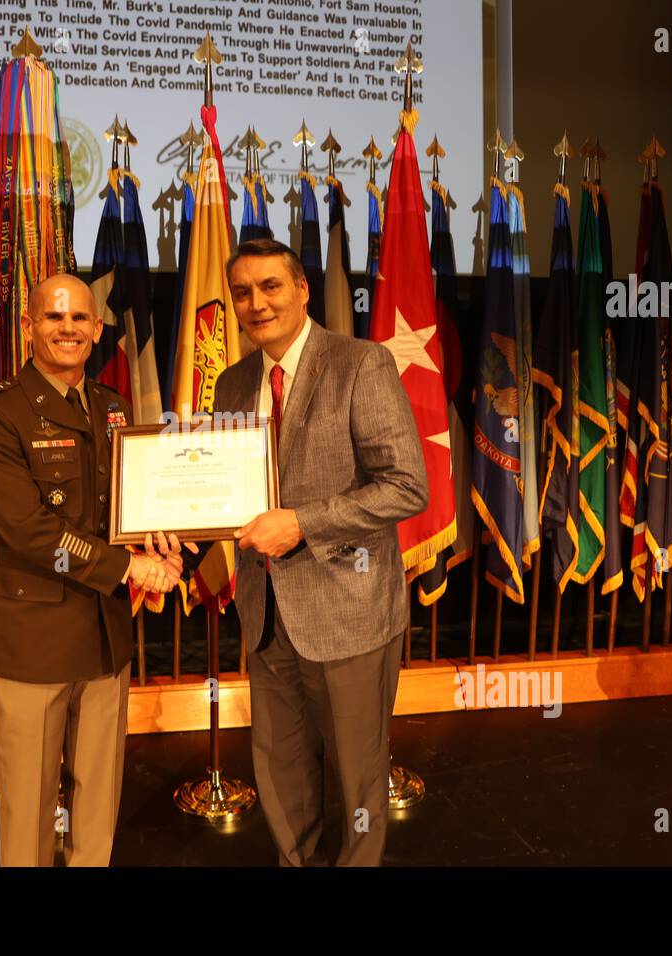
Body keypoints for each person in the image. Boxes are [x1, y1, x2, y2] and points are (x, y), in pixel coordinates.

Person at [214, 238, 429, 865]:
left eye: (271, 287)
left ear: (302, 289)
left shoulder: (360, 363)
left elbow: (406, 485)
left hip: (351, 610)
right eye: (243, 292)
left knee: (359, 778)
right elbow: (227, 492)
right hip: (265, 612)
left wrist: (303, 524)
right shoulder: (232, 384)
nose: (257, 303)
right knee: (280, 773)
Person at [0, 273, 183, 866]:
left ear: (97, 329)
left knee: (99, 798)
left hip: (107, 636)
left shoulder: (112, 408)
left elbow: (134, 510)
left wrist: (162, 549)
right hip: (36, 639)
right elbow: (29, 532)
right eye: (54, 318)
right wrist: (130, 569)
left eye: (80, 319)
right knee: (28, 806)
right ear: (29, 326)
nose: (68, 329)